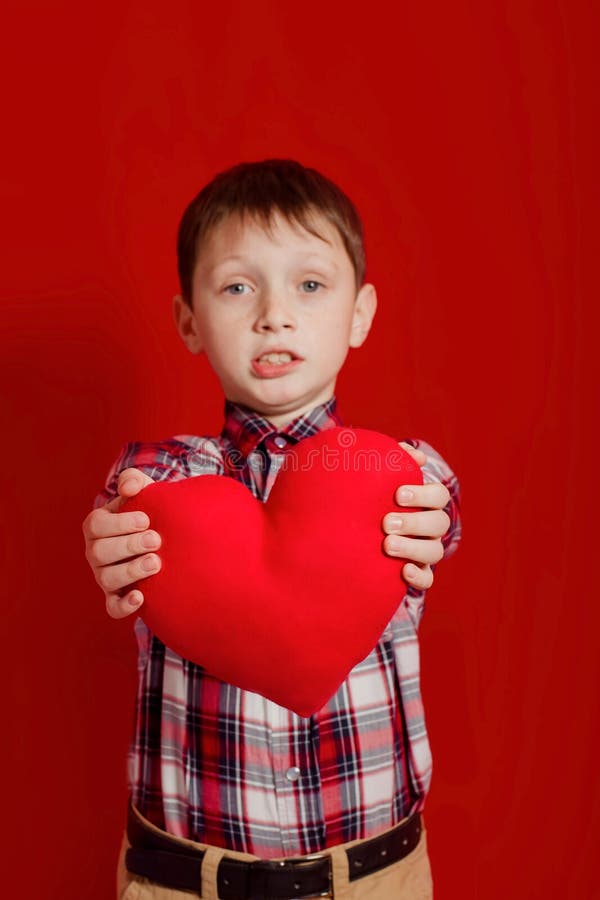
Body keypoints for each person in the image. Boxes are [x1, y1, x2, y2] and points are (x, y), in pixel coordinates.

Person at [82, 158, 461, 899]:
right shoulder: (159, 476)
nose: (273, 315)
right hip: (182, 883)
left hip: (378, 877)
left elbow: (438, 512)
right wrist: (111, 546)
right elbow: (119, 521)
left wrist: (433, 520)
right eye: (236, 287)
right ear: (188, 321)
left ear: (361, 313)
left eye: (310, 285)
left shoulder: (401, 474)